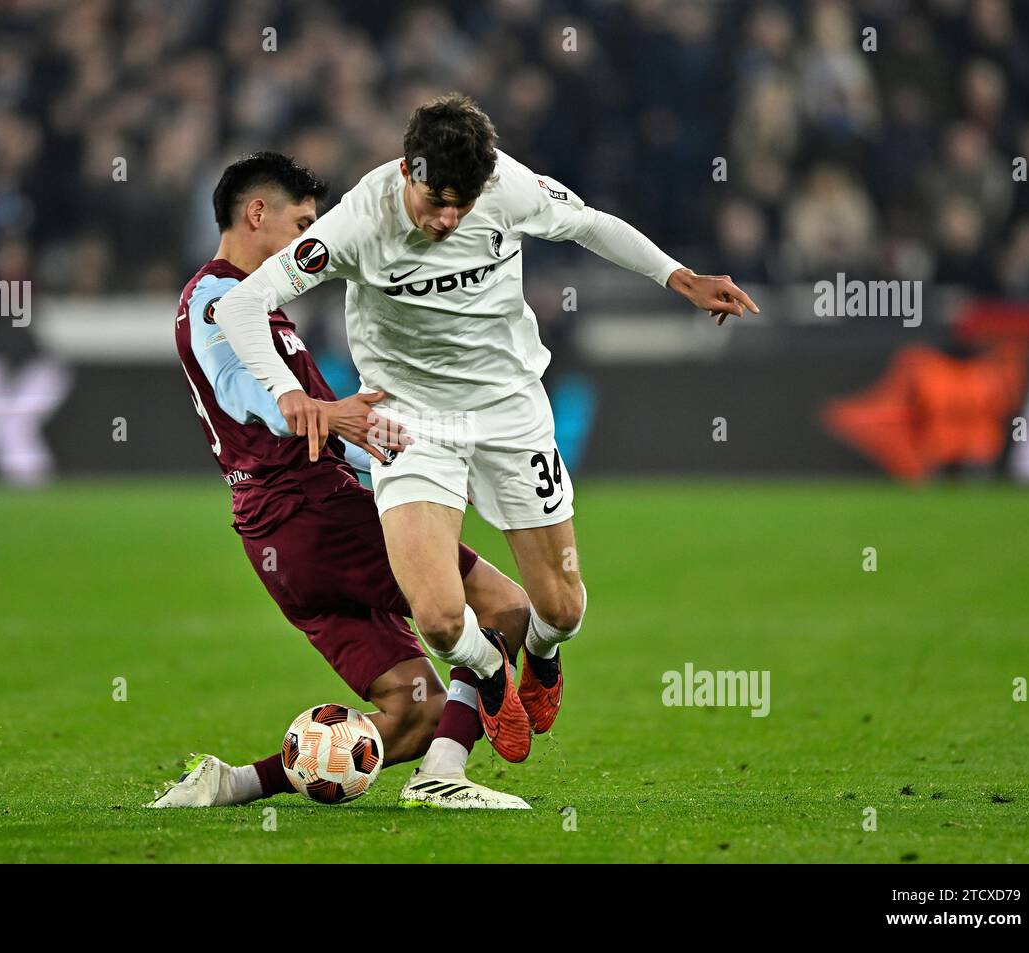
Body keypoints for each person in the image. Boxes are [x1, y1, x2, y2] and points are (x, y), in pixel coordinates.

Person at [213, 95, 760, 763]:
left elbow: (588, 224)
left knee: (560, 608)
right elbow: (243, 304)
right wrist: (288, 391)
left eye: (463, 205)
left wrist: (677, 276)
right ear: (408, 172)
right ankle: (494, 675)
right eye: (437, 200)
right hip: (413, 419)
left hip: (510, 411)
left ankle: (543, 657)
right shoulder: (359, 220)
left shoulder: (507, 185)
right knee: (441, 618)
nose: (448, 218)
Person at [153, 152, 533, 810]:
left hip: (282, 538)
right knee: (505, 608)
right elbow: (250, 394)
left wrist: (403, 453)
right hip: (312, 514)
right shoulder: (217, 301)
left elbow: (335, 432)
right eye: (302, 223)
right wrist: (320, 413)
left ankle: (231, 783)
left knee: (414, 708)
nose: (311, 240)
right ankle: (443, 775)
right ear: (256, 214)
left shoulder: (258, 307)